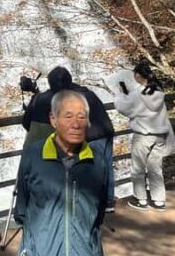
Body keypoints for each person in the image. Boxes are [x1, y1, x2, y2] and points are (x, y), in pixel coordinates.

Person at [15, 89, 109, 256]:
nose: (77, 122)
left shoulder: (98, 161)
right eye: (68, 116)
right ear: (53, 119)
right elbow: (23, 208)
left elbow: (99, 212)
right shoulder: (32, 156)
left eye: (82, 116)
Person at [22, 65, 115, 209]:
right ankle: (107, 203)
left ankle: (92, 206)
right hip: (106, 131)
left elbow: (28, 123)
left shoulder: (60, 99)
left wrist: (36, 96)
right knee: (105, 170)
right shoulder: (84, 92)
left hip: (90, 138)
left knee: (90, 174)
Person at [112, 61, 173, 211]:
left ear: (138, 75)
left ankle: (141, 199)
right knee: (155, 168)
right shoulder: (157, 90)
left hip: (144, 135)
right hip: (160, 135)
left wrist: (120, 93)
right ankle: (159, 201)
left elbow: (122, 107)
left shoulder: (138, 93)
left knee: (138, 168)